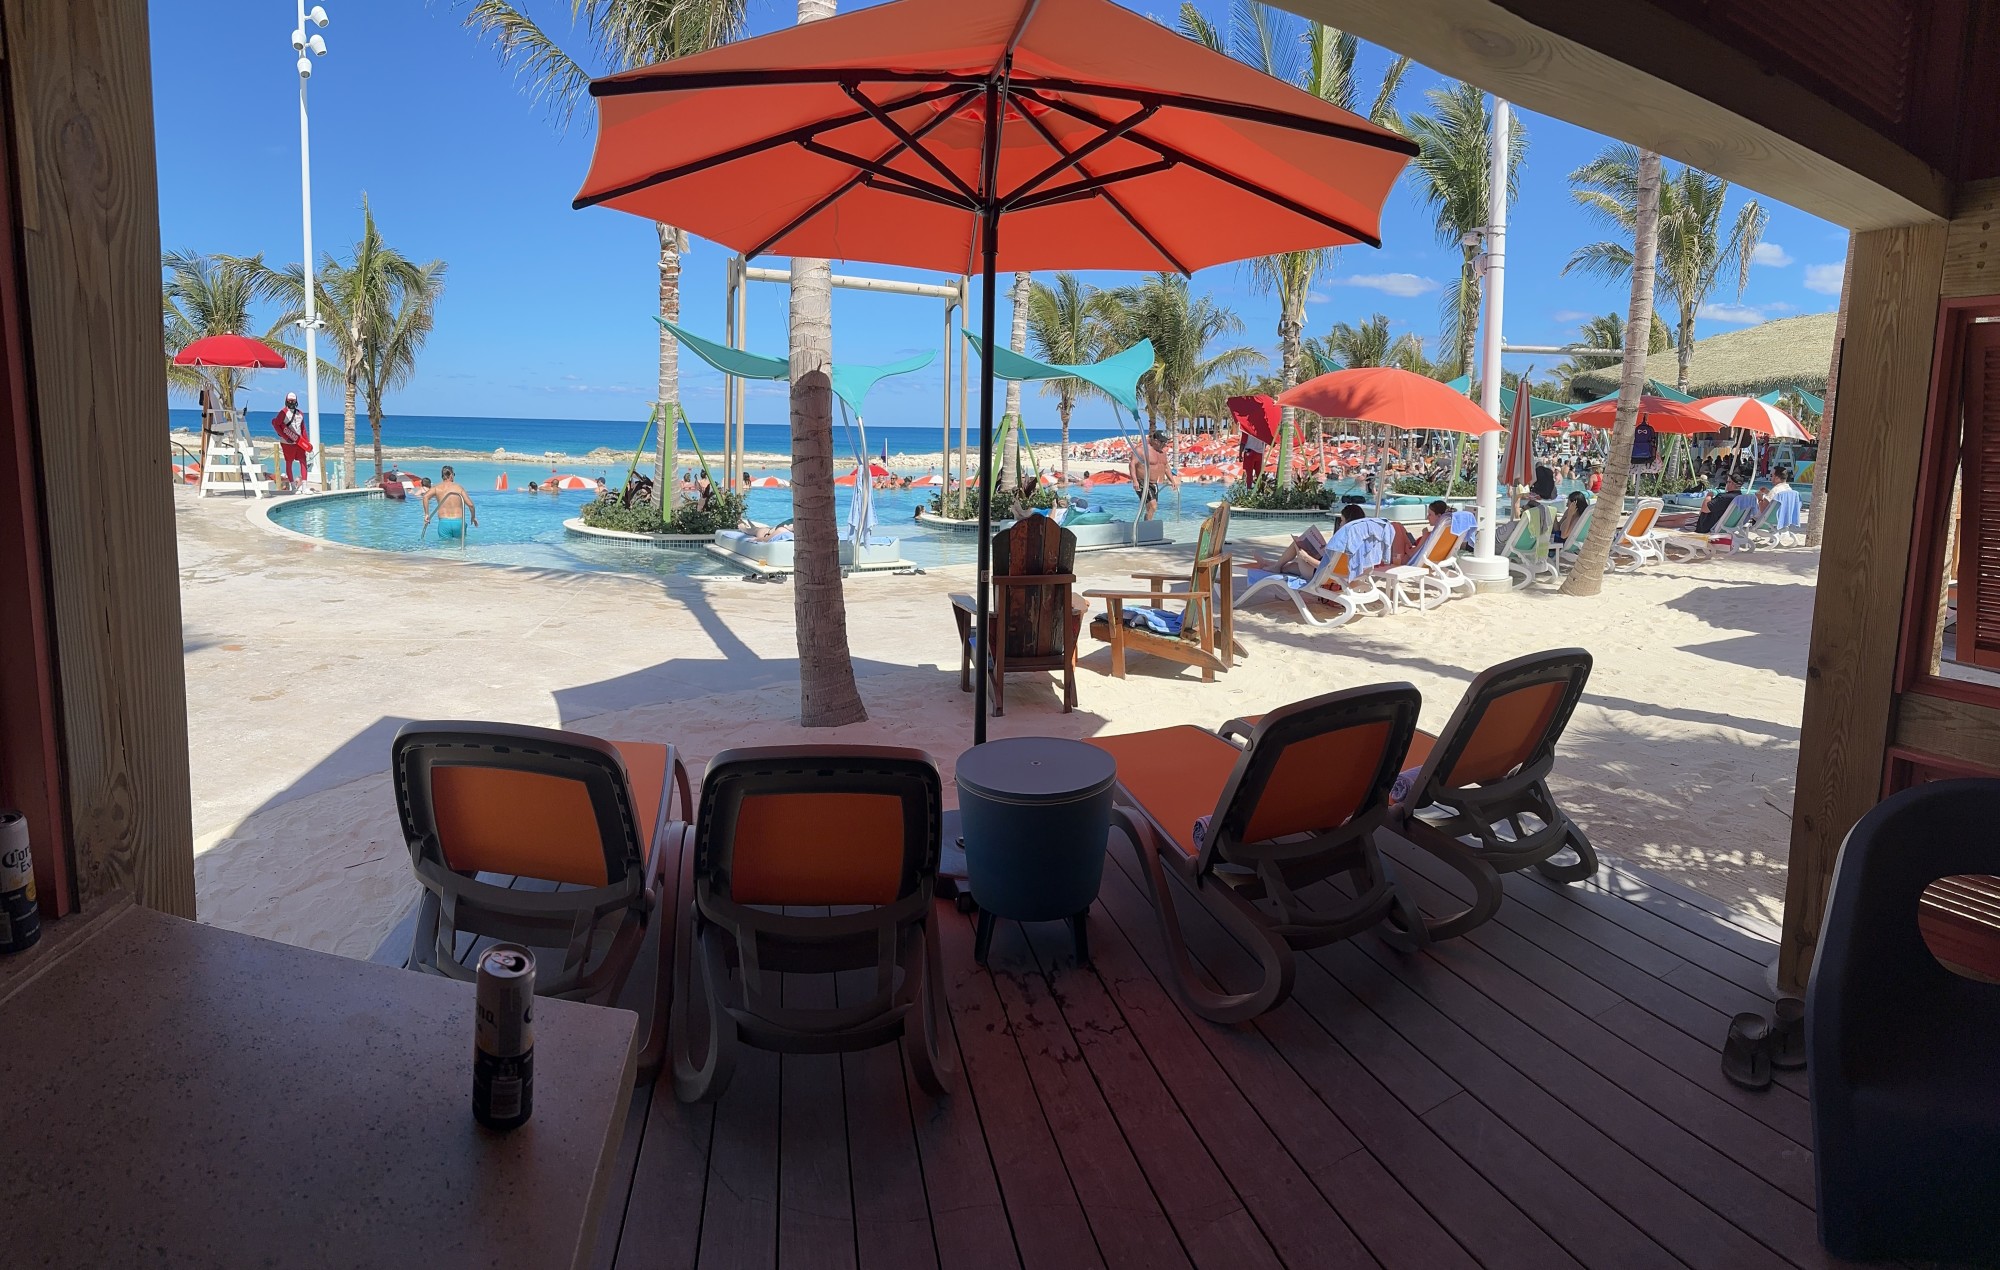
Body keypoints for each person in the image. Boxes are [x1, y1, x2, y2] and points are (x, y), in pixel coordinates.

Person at [422, 465, 477, 541]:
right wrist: (473, 517)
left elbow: (425, 497)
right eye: (454, 475)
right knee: (460, 546)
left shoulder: (436, 488)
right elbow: (470, 505)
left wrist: (426, 514)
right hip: (458, 523)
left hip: (444, 522)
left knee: (444, 548)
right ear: (451, 475)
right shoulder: (459, 488)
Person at [271, 392, 309, 488]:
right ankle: (292, 486)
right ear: (286, 400)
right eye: (289, 400)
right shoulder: (283, 412)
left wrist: (306, 443)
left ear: (296, 401)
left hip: (299, 442)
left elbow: (303, 429)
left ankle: (304, 486)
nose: (291, 402)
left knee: (303, 461)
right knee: (289, 462)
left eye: (293, 400)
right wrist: (286, 437)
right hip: (287, 443)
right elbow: (277, 425)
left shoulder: (300, 413)